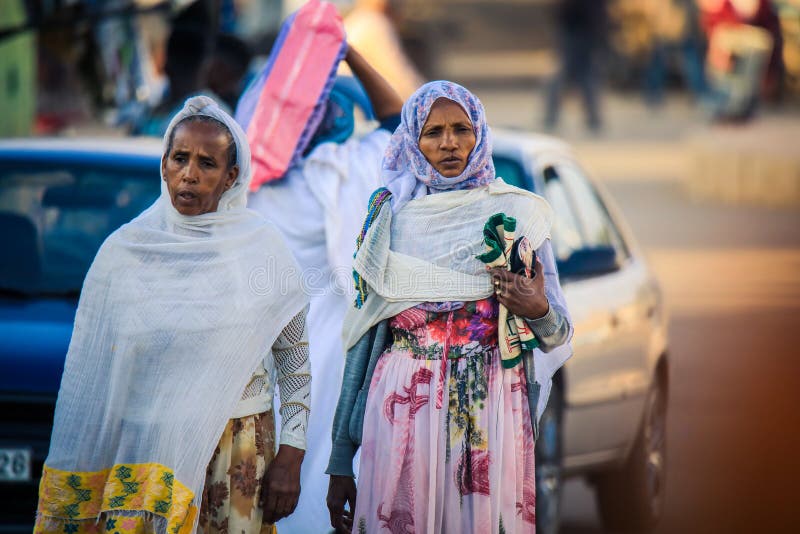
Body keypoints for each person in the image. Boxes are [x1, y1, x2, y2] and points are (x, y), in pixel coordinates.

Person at [35, 96, 311, 534]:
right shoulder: (125, 253)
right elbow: (99, 373)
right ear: (164, 165)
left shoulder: (262, 251)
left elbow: (295, 366)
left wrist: (292, 456)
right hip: (148, 445)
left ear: (231, 177)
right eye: (180, 158)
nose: (190, 174)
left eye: (207, 163)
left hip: (236, 448)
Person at [326, 81, 573, 533]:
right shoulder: (390, 217)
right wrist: (342, 458)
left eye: (462, 129)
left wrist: (536, 307)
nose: (449, 143)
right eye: (433, 132)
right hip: (403, 408)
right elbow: (362, 339)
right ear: (412, 142)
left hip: (491, 408)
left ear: (480, 134)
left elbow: (558, 333)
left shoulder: (516, 216)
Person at [247, 44, 403, 533]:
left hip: (269, 358)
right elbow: (399, 119)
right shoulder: (361, 166)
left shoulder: (244, 182)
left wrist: (295, 58)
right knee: (335, 471)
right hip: (343, 354)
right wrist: (345, 52)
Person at [543, 0, 608, 132]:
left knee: (581, 73)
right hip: (576, 27)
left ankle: (592, 117)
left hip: (583, 27)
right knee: (576, 73)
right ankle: (592, 117)